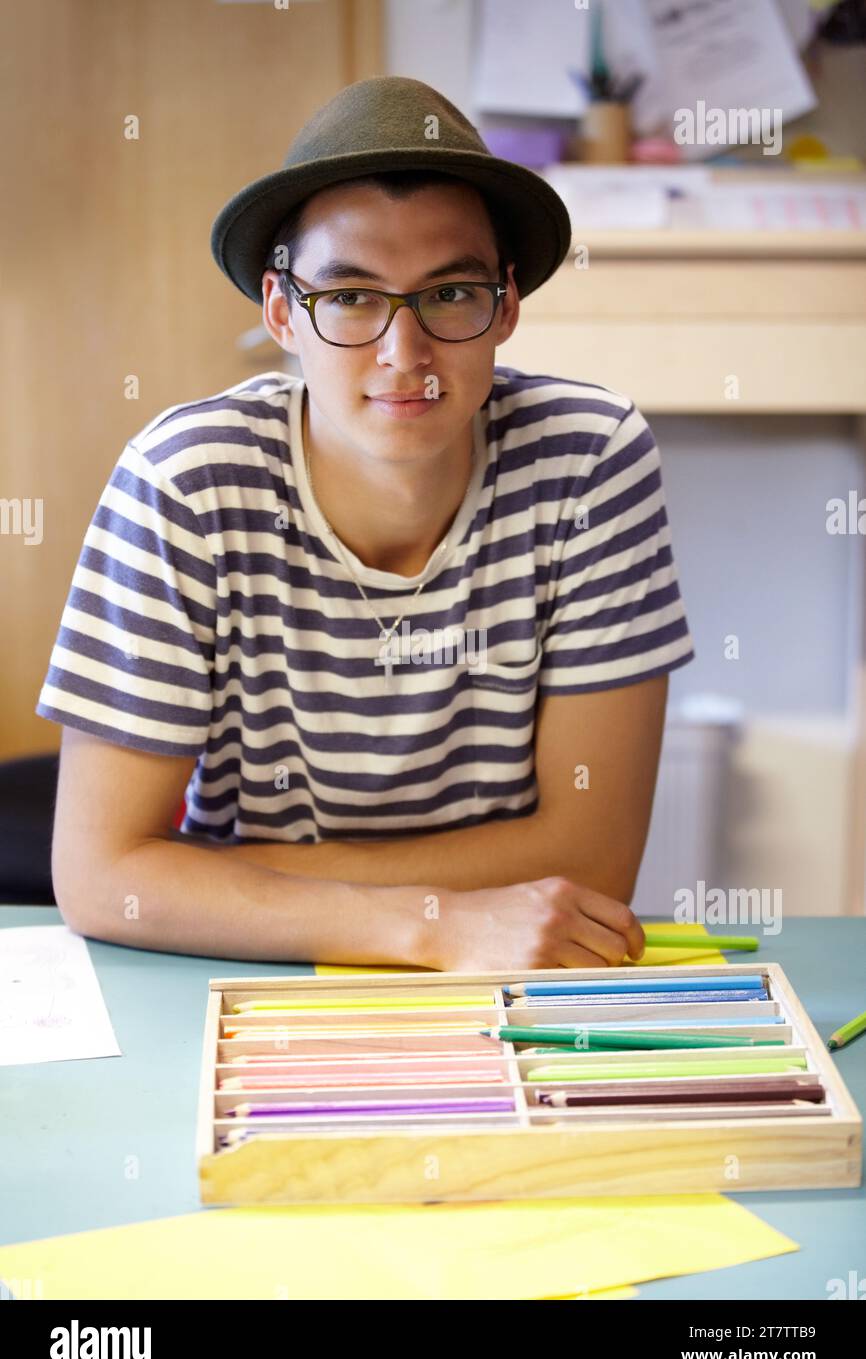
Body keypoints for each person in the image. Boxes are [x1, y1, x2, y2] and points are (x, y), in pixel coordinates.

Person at [37, 77, 695, 970]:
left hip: (510, 973)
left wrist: (221, 881)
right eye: (350, 298)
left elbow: (592, 859)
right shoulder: (185, 483)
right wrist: (437, 923)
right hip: (249, 975)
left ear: (506, 305)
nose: (404, 352)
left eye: (449, 293)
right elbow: (103, 877)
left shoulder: (590, 458)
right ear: (281, 311)